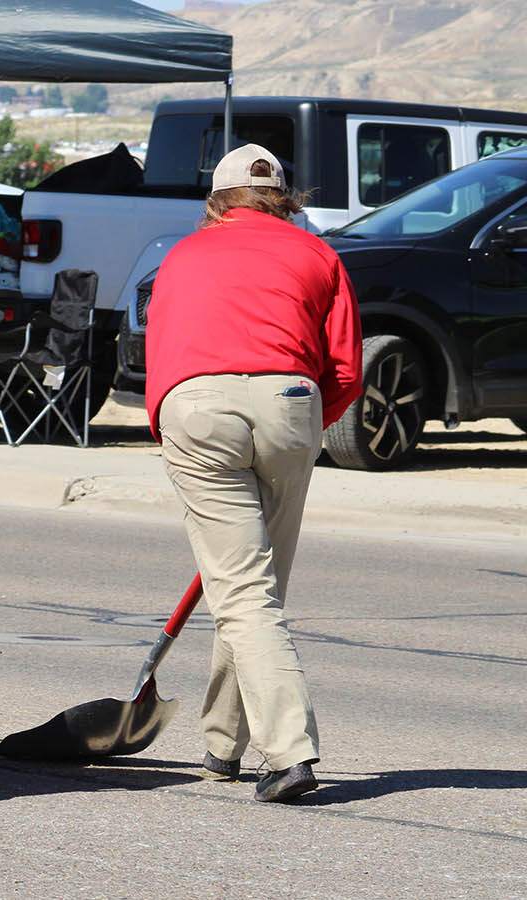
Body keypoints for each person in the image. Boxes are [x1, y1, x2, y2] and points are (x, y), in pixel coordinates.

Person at [146, 144, 363, 803]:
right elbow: (347, 368)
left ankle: (289, 751)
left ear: (218, 199)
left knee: (243, 591)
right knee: (255, 590)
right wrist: (297, 430)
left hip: (199, 405)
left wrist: (175, 426)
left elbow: (158, 349)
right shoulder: (319, 253)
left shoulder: (182, 254)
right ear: (283, 198)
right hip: (292, 403)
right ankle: (221, 744)